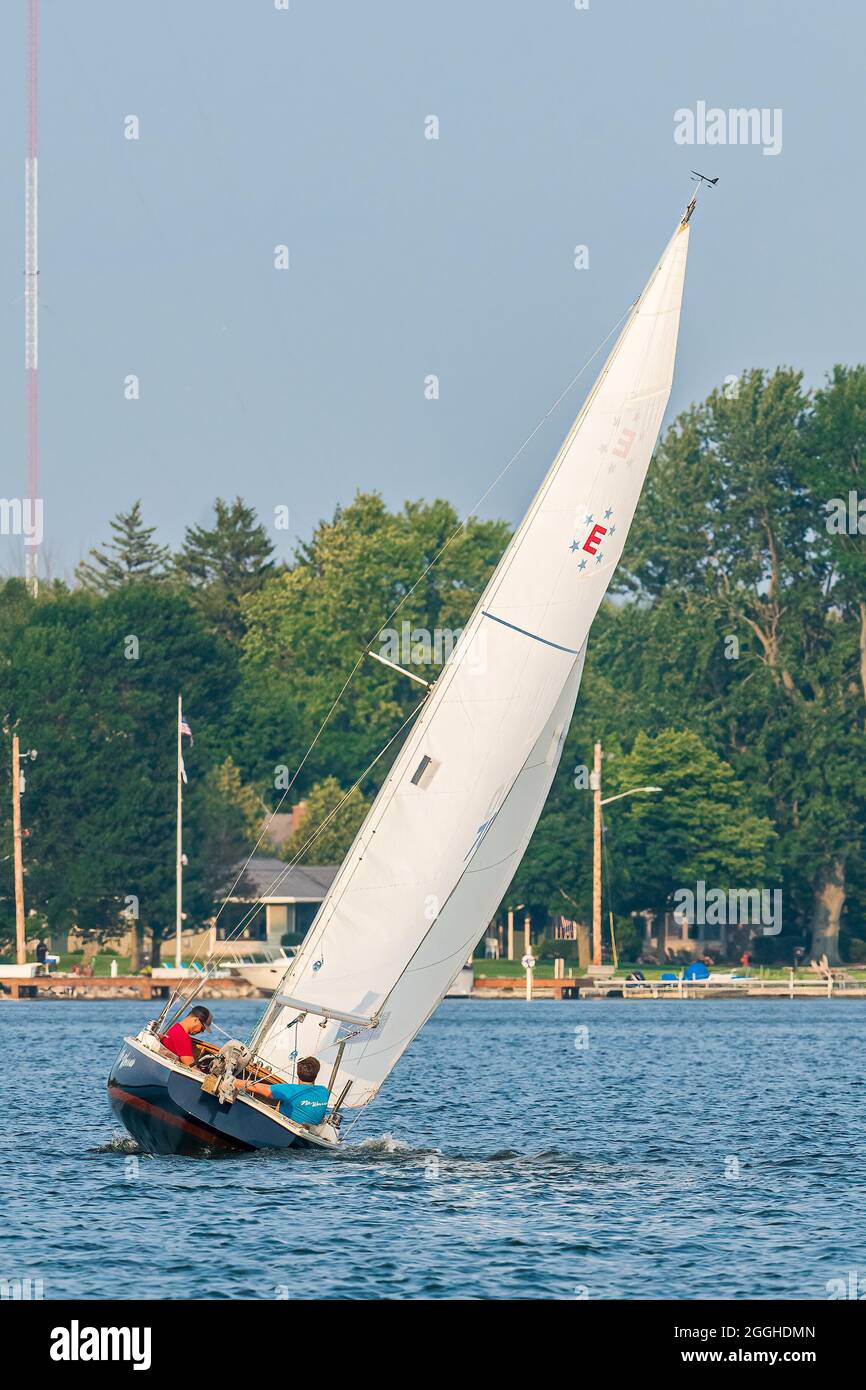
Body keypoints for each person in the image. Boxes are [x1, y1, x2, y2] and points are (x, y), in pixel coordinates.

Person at [238, 1056, 329, 1126]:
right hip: (308, 1137)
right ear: (316, 1073)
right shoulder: (324, 1092)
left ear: (297, 1072)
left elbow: (255, 1087)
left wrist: (233, 1081)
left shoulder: (289, 1090)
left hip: (286, 1131)